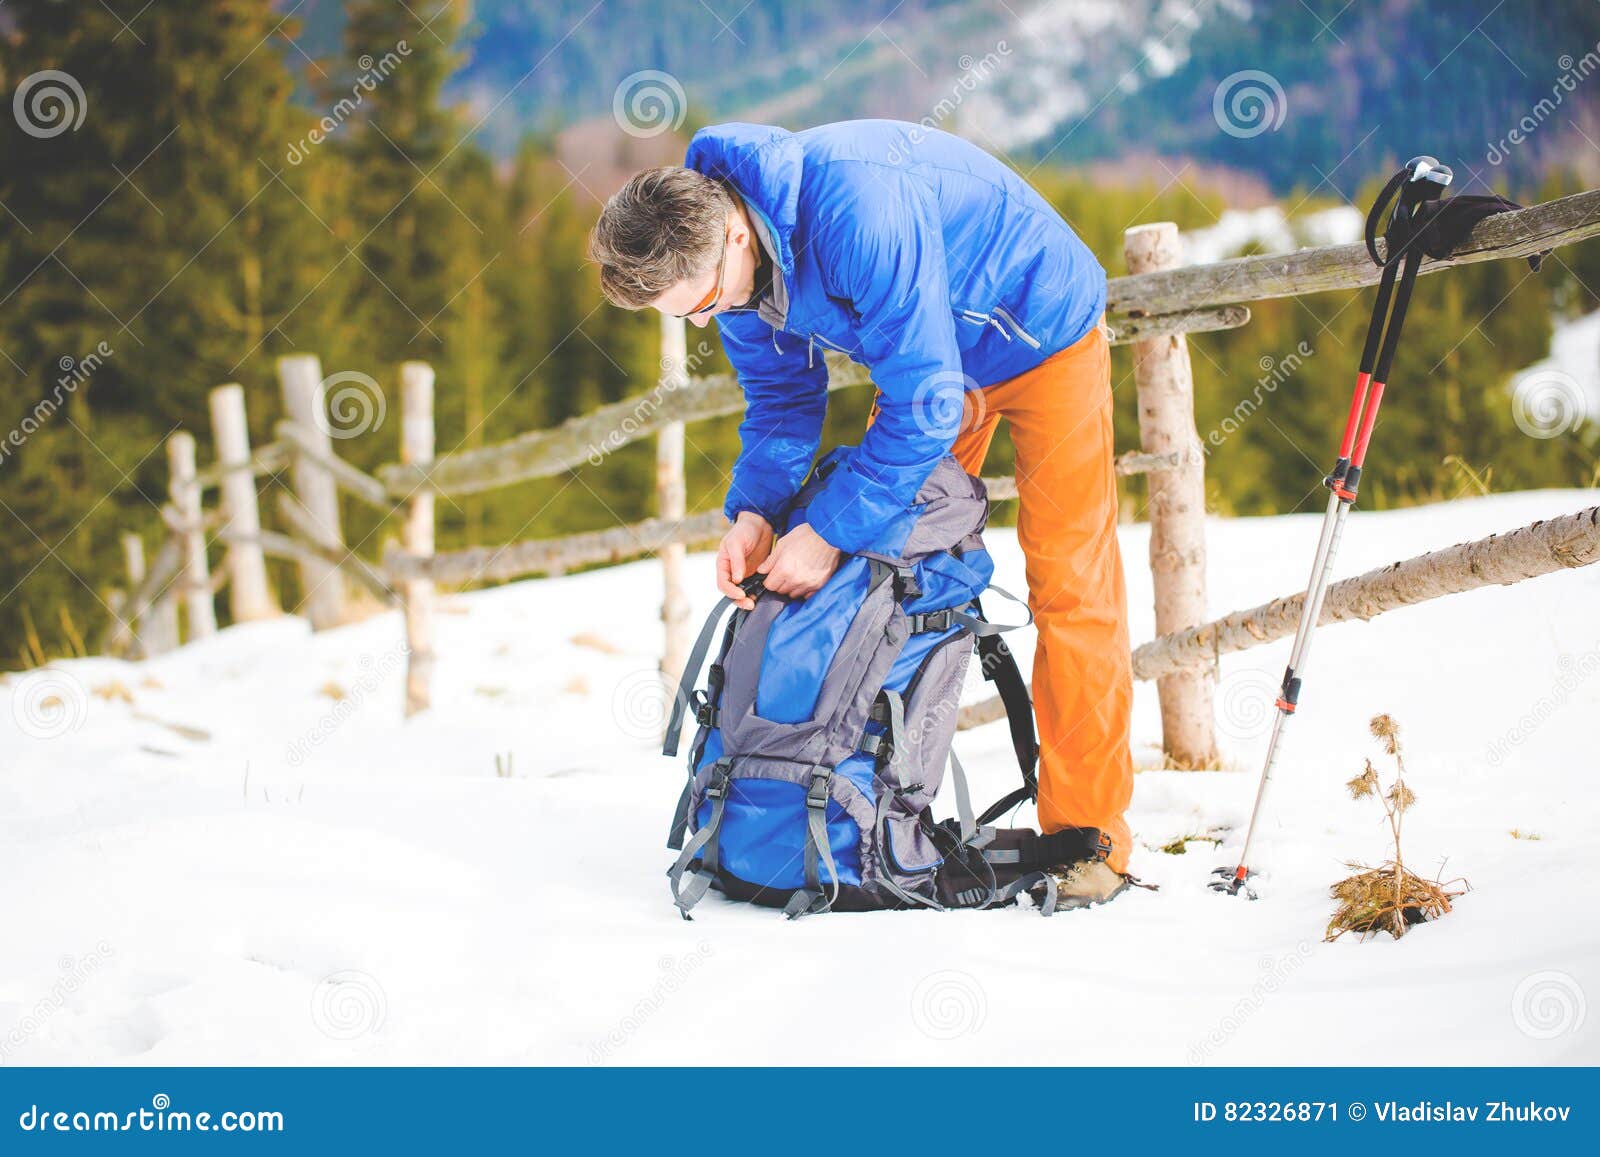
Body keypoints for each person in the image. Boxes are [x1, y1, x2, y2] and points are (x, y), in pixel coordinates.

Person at [589, 120, 1135, 908]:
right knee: (882, 580)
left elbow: (926, 403)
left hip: (1037, 328)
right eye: (687, 317)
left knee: (1068, 582)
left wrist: (830, 529)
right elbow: (782, 400)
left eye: (706, 301)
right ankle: (869, 811)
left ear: (736, 232)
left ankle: (1091, 837)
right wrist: (756, 513)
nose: (707, 321)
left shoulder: (856, 211)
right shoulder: (731, 267)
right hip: (934, 364)